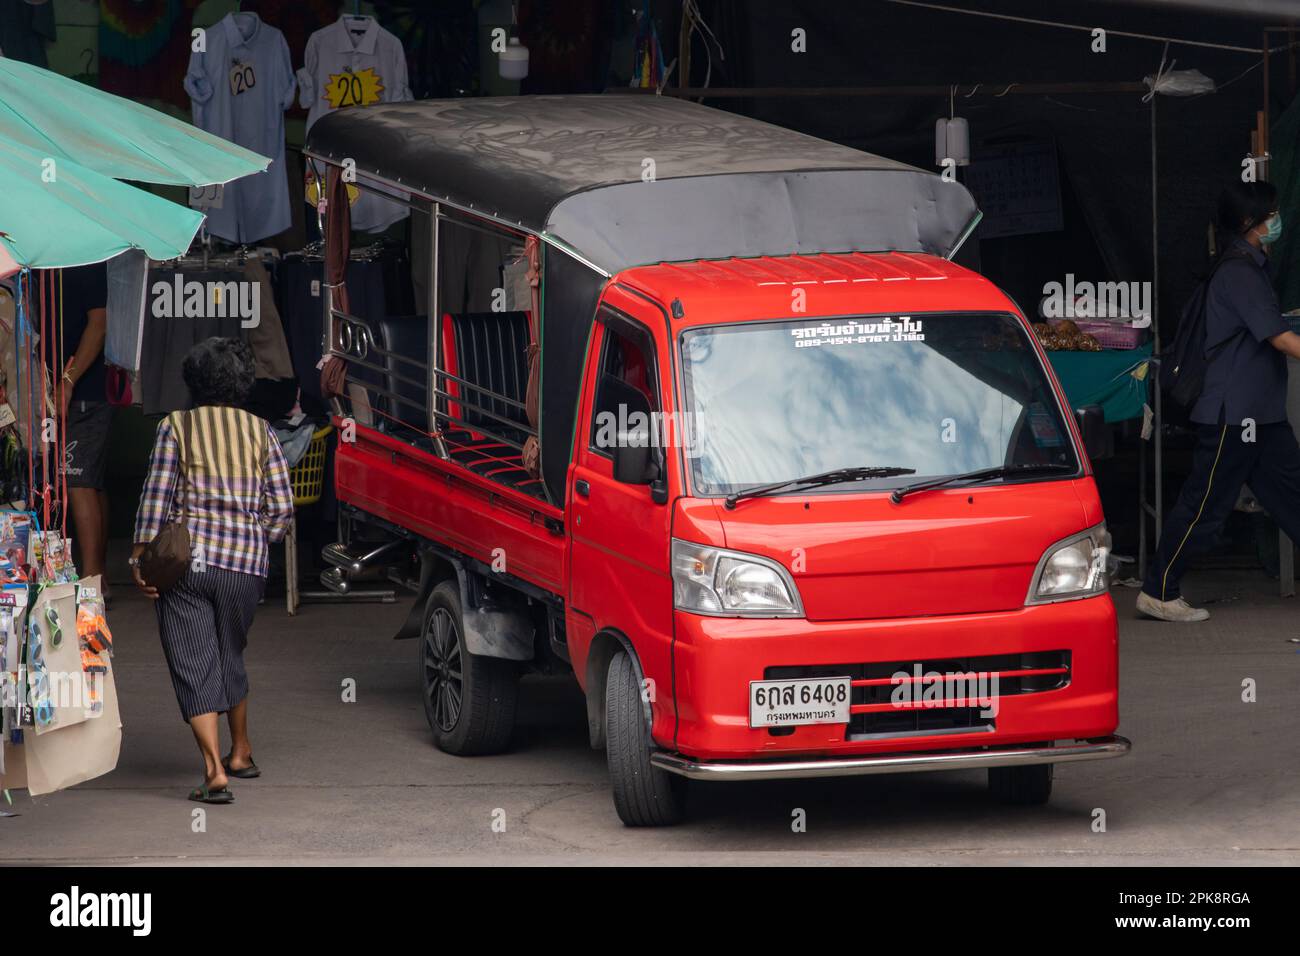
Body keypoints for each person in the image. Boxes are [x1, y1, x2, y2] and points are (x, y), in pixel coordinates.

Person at [131, 338, 294, 803]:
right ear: (243, 382)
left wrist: (140, 560)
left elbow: (155, 499)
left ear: (193, 381)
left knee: (193, 659)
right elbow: (281, 510)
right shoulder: (261, 431)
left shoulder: (175, 427)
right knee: (229, 652)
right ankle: (240, 751)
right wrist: (253, 539)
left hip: (189, 563)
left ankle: (213, 770)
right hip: (245, 567)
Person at [1139, 180, 1300, 622]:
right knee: (1204, 506)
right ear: (1249, 223)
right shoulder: (1239, 273)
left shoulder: (1251, 266)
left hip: (1261, 416)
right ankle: (1158, 591)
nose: (1276, 221)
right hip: (1234, 415)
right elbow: (1282, 338)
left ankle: (1160, 588)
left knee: (1294, 496)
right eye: (1271, 215)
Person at [56, 263, 113, 596]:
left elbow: (100, 322)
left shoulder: (86, 260)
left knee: (78, 478)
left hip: (84, 390)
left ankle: (92, 580)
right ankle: (97, 576)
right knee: (90, 479)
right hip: (63, 386)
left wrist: (68, 380)